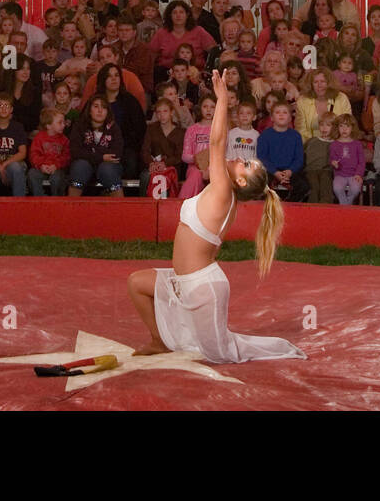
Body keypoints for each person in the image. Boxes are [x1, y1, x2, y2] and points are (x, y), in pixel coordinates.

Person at [127, 69, 305, 362]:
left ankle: (274, 349)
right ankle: (159, 340)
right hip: (183, 282)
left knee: (219, 354)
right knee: (136, 282)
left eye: (245, 165)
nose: (239, 159)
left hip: (203, 287)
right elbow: (216, 151)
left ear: (242, 182)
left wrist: (223, 99)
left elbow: (216, 144)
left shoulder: (223, 194)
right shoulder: (221, 193)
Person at [28, 107, 71, 197]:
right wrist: (41, 165)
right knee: (32, 174)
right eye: (60, 122)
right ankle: (39, 198)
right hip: (42, 167)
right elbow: (34, 154)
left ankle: (56, 199)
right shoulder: (39, 138)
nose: (63, 125)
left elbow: (66, 157)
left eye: (64, 122)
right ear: (48, 126)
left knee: (57, 178)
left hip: (57, 168)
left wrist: (56, 165)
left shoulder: (64, 140)